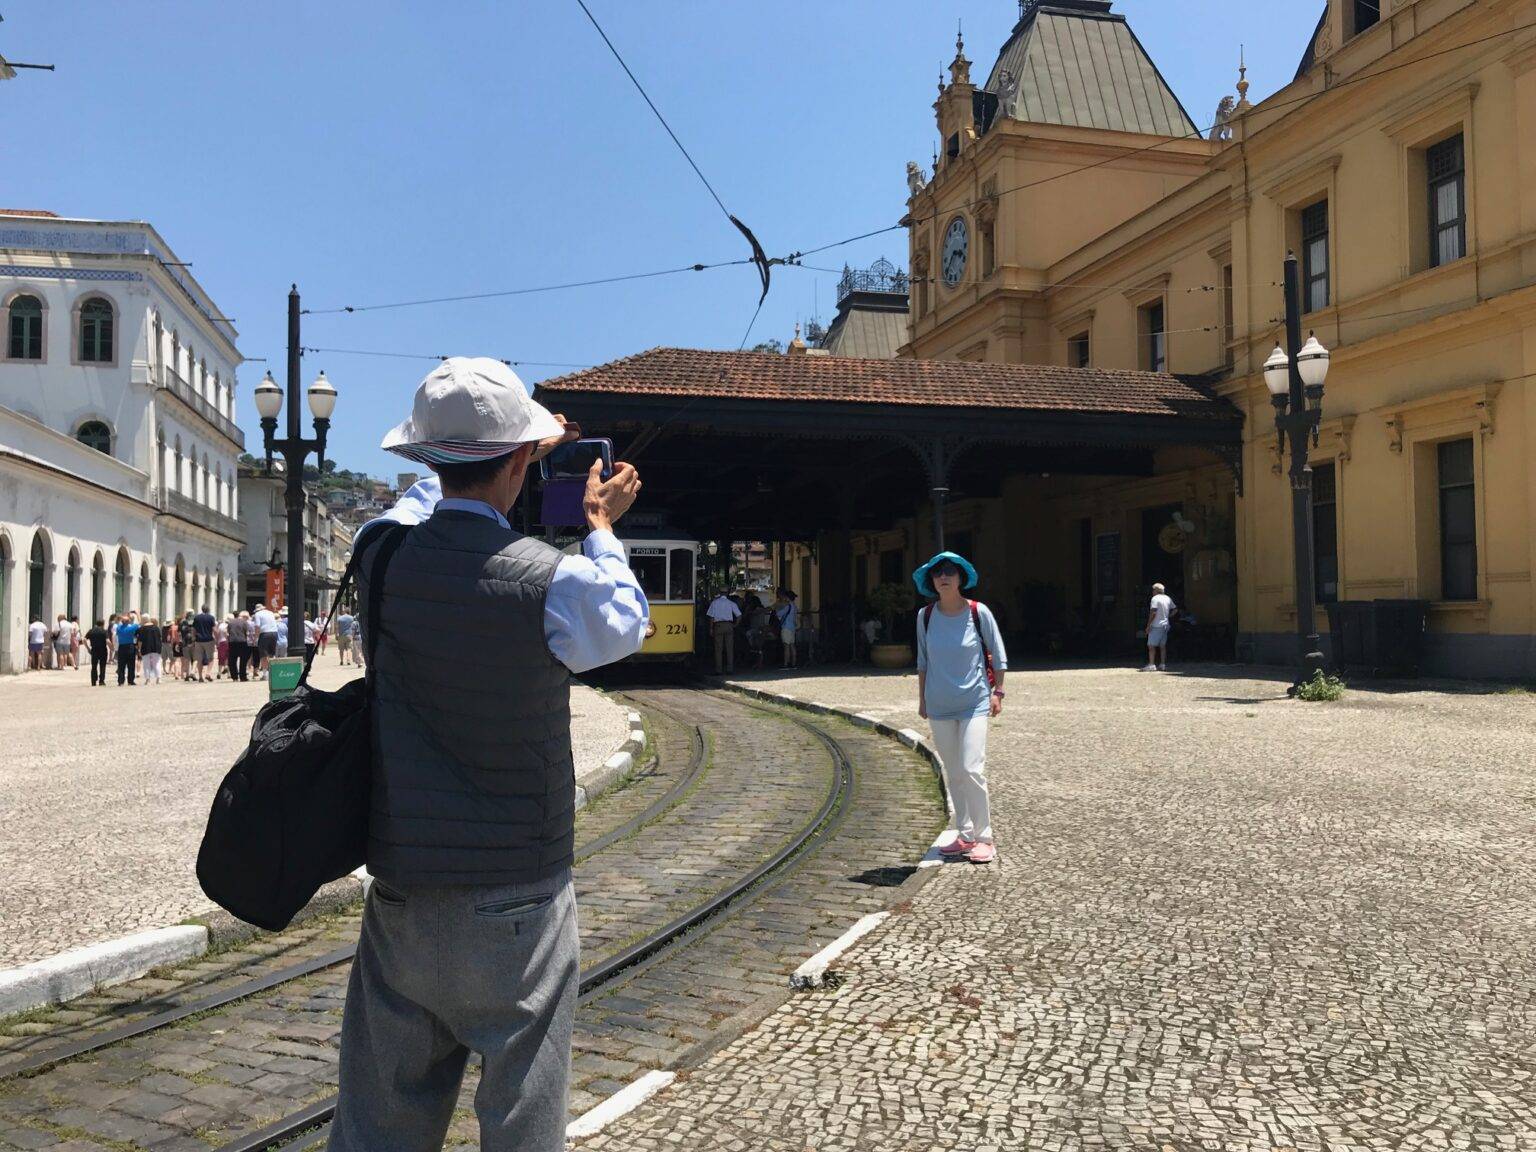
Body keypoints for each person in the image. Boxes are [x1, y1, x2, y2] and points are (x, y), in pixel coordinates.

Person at [329, 357, 647, 1152]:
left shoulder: (382, 555)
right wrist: (601, 528)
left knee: (377, 1127)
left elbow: (415, 505)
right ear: (520, 463)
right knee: (521, 1123)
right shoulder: (555, 581)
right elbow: (623, 622)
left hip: (403, 893)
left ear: (425, 459)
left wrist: (499, 451)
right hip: (519, 900)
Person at [913, 551, 1008, 866]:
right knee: (953, 772)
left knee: (971, 769)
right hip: (939, 704)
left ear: (961, 578)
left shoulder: (979, 613)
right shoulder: (925, 616)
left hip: (974, 702)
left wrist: (999, 691)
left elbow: (997, 652)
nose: (944, 576)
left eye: (950, 572)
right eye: (938, 572)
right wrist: (923, 700)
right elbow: (923, 661)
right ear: (932, 581)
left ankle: (984, 838)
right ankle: (965, 833)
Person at [706, 589, 742, 675]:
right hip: (729, 625)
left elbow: (711, 617)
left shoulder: (714, 603)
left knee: (718, 649)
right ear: (727, 593)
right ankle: (730, 669)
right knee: (729, 648)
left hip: (718, 626)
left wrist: (711, 628)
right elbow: (739, 615)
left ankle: (719, 670)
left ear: (720, 593)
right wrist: (735, 625)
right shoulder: (731, 603)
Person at [1144, 582, 1176, 672]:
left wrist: (1148, 625)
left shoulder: (1155, 599)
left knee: (1151, 646)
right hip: (1165, 625)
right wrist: (1168, 616)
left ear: (1155, 590)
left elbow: (1153, 612)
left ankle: (1151, 664)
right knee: (1162, 646)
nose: (1152, 591)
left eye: (1153, 590)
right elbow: (1175, 609)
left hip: (1156, 625)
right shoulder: (1167, 598)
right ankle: (1162, 664)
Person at [773, 588, 799, 668]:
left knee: (786, 646)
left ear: (787, 597)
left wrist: (777, 611)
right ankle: (794, 663)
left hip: (786, 627)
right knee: (792, 645)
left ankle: (786, 663)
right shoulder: (794, 606)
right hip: (792, 628)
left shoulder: (788, 606)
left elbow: (778, 614)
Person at [252, 601, 278, 678]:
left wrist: (256, 638)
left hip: (264, 634)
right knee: (271, 654)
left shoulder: (257, 614)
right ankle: (273, 672)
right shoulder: (270, 612)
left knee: (263, 655)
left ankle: (264, 674)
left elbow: (257, 626)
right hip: (274, 633)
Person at [114, 612, 140, 686]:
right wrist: (137, 614)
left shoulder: (118, 628)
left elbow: (119, 621)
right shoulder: (131, 628)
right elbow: (139, 622)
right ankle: (130, 681)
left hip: (121, 647)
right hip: (130, 646)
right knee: (131, 665)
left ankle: (121, 681)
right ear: (129, 622)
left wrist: (125, 615)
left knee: (121, 665)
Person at [84, 619, 110, 686]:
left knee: (94, 666)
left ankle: (93, 681)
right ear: (103, 624)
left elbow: (84, 639)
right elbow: (107, 641)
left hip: (94, 650)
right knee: (102, 665)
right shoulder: (104, 631)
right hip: (103, 650)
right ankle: (101, 681)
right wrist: (111, 648)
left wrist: (88, 648)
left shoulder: (91, 631)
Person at [139, 616, 164, 684]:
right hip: (156, 647)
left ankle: (148, 680)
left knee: (146, 664)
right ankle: (158, 678)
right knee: (157, 663)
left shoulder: (142, 628)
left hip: (145, 648)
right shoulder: (156, 628)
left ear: (143, 620)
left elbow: (140, 641)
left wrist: (139, 649)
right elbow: (160, 638)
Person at [229, 611, 251, 682]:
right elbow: (247, 631)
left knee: (232, 660)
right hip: (242, 641)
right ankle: (243, 676)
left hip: (232, 642)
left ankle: (234, 677)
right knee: (243, 660)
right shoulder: (244, 622)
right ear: (239, 615)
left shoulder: (230, 622)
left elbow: (228, 631)